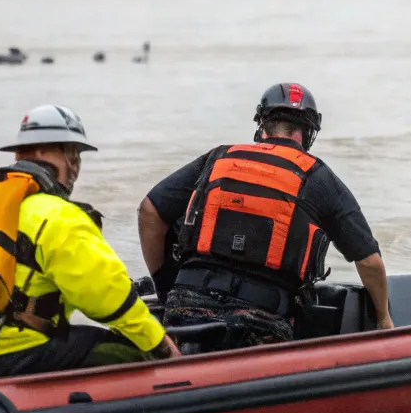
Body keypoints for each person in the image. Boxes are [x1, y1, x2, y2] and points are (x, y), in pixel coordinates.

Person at [0, 105, 177, 407]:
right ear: (54, 154)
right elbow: (108, 298)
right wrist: (160, 346)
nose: (75, 167)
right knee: (122, 351)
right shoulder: (60, 216)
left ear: (20, 155)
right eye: (73, 155)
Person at [137, 83, 393, 347]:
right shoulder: (317, 176)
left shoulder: (219, 157)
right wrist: (384, 319)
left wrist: (166, 287)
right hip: (259, 320)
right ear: (307, 133)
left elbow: (149, 211)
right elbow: (370, 262)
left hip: (185, 307)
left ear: (263, 125)